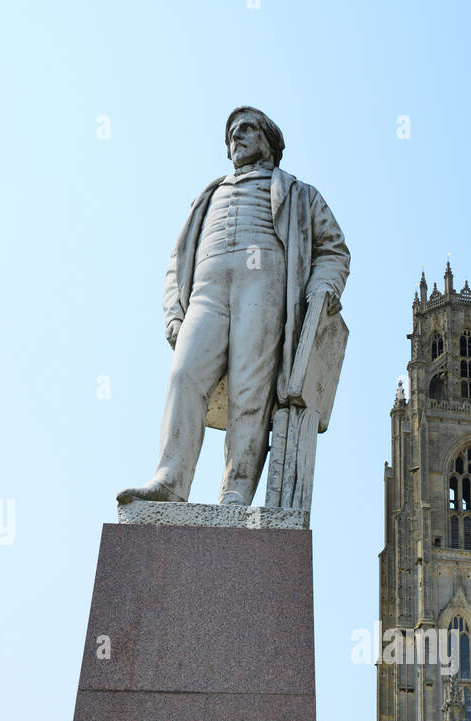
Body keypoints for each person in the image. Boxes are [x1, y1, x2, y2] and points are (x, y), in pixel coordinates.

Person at [117, 106, 350, 508]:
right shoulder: (207, 196)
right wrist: (174, 311)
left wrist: (323, 288)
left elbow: (333, 249)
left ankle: (236, 491)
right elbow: (176, 262)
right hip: (207, 290)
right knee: (184, 376)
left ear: (270, 143)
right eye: (231, 133)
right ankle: (170, 479)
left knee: (250, 391)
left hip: (264, 286)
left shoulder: (299, 193)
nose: (236, 137)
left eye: (247, 129)